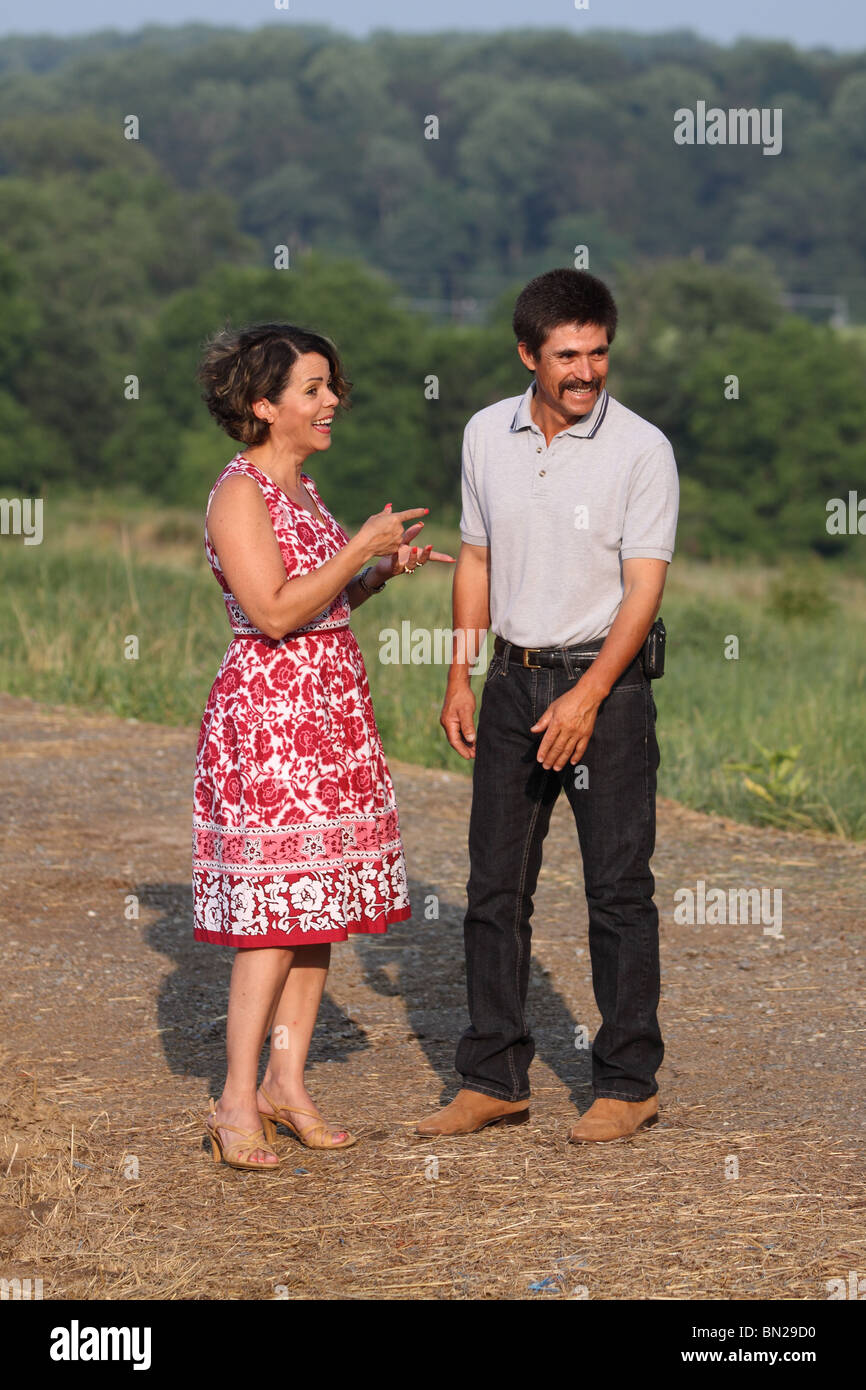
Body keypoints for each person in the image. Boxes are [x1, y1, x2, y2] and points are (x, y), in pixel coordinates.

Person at [417, 268, 679, 1143]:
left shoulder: (643, 450)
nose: (586, 371)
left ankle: (629, 1081)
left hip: (608, 688)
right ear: (528, 353)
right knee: (494, 888)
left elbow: (643, 591)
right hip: (508, 680)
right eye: (567, 355)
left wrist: (589, 696)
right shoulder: (485, 433)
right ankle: (493, 1076)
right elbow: (476, 562)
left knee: (617, 891)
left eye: (598, 352)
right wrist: (459, 676)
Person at [193, 322, 453, 1170]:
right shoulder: (239, 493)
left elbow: (317, 603)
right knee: (274, 913)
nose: (331, 399)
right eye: (313, 388)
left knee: (319, 912)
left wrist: (376, 573)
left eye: (330, 386)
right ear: (265, 407)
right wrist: (356, 551)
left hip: (328, 720)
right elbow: (270, 611)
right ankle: (235, 1100)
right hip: (271, 726)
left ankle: (286, 1083)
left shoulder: (303, 489)